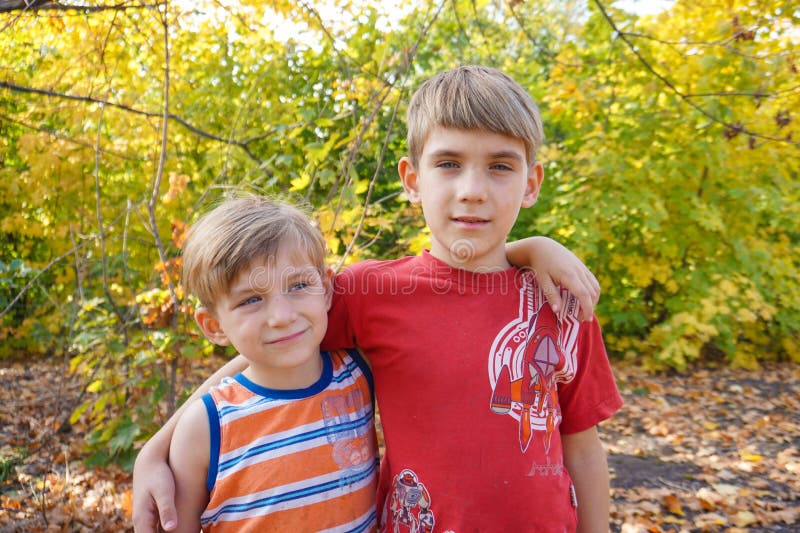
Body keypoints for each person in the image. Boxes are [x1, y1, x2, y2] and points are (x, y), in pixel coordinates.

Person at [134, 65, 620, 532]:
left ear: (530, 184)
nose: (472, 190)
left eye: (500, 166)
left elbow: (581, 448)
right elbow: (265, 350)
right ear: (411, 180)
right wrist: (158, 447)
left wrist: (536, 249)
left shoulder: (561, 300)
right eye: (448, 164)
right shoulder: (371, 292)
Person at [165, 196, 379, 531]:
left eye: (298, 286)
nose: (281, 317)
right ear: (214, 325)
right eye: (251, 299)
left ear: (325, 289)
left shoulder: (358, 374)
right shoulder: (206, 428)